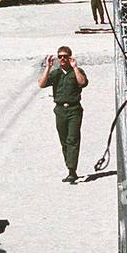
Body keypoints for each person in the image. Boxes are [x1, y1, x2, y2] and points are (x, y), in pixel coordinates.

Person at [39, 45, 88, 183]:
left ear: (70, 57)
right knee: (64, 140)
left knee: (72, 139)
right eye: (60, 56)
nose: (62, 59)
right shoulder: (56, 73)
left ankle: (72, 171)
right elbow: (41, 84)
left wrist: (75, 67)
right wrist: (48, 68)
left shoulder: (77, 71)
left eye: (65, 56)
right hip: (60, 110)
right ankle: (70, 167)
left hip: (74, 110)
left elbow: (83, 83)